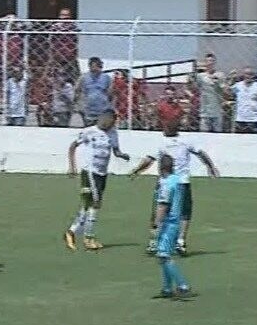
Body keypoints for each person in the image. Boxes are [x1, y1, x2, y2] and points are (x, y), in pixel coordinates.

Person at [130, 121, 218, 256]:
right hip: (181, 182)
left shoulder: (161, 143)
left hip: (165, 182)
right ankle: (180, 242)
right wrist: (210, 167)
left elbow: (149, 160)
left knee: (160, 211)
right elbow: (201, 154)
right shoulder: (186, 141)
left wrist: (136, 170)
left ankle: (154, 242)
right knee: (184, 213)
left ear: (166, 127)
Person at [64, 109, 130, 251]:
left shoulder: (112, 133)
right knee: (95, 203)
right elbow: (73, 146)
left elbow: (116, 151)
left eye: (113, 123)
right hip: (89, 172)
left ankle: (71, 232)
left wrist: (122, 155)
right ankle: (88, 238)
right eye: (110, 122)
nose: (111, 125)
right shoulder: (89, 132)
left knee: (87, 206)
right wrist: (72, 166)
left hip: (102, 173)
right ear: (103, 119)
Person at [152, 155, 194, 300]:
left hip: (168, 223)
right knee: (164, 256)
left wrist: (156, 224)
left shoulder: (166, 184)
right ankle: (167, 288)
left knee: (163, 255)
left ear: (161, 167)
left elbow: (163, 205)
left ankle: (182, 284)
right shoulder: (177, 180)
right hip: (176, 221)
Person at [192, 53, 227, 133]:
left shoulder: (220, 75)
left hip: (217, 110)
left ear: (215, 62)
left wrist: (218, 83)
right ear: (205, 62)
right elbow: (194, 89)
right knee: (204, 134)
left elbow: (225, 91)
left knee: (218, 135)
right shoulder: (200, 76)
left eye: (212, 61)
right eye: (208, 61)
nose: (210, 63)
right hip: (204, 111)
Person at [76, 57, 113, 126]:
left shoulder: (106, 77)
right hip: (87, 109)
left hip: (102, 109)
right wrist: (79, 105)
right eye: (92, 66)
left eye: (96, 66)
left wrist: (110, 106)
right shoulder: (83, 77)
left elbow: (110, 93)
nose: (94, 68)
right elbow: (77, 90)